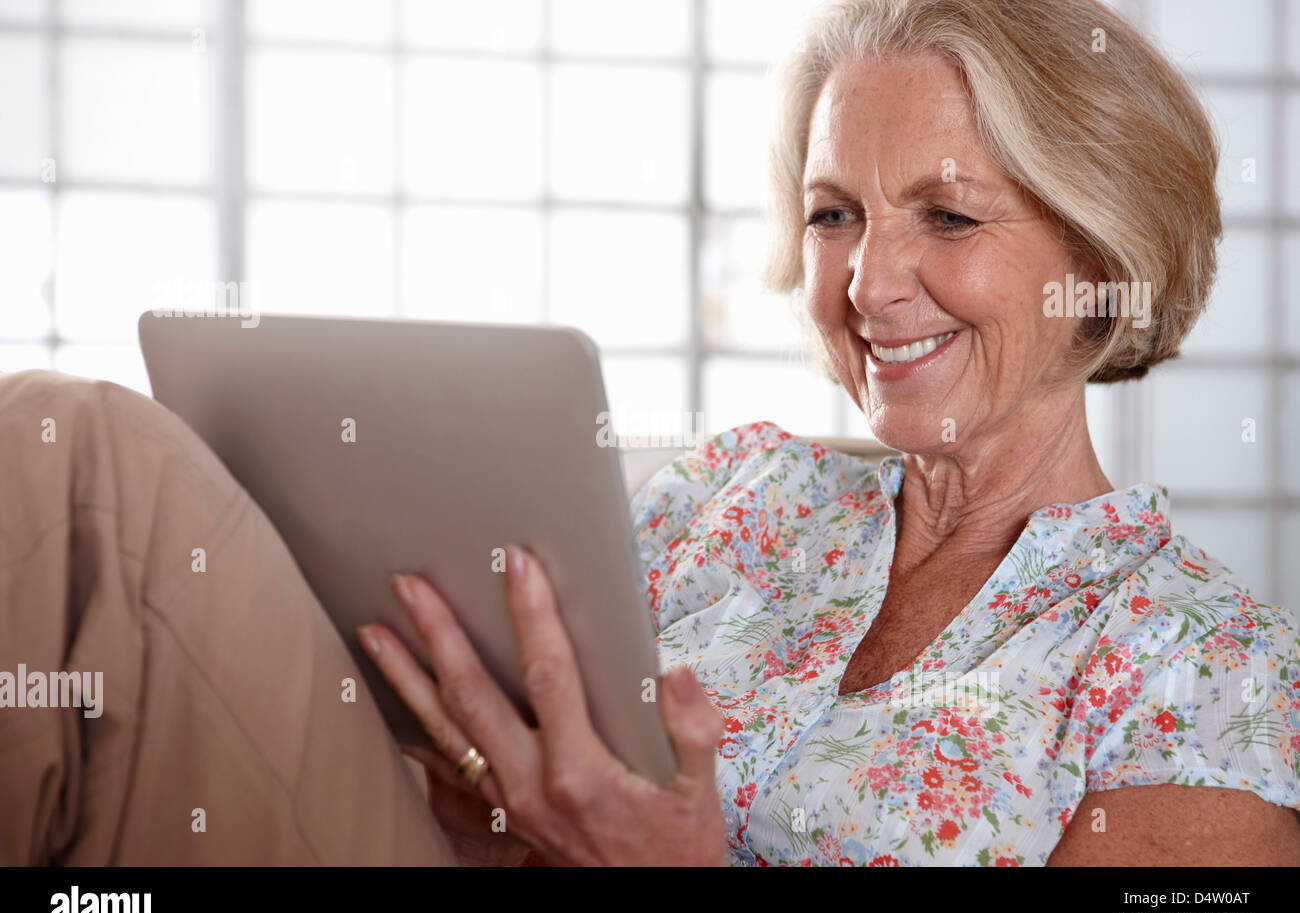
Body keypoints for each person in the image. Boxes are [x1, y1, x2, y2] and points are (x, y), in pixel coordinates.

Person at [4, 0, 1298, 866]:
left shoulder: (1210, 677)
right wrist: (477, 773)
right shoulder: (734, 493)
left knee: (89, 485)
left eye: (948, 221)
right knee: (56, 453)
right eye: (835, 214)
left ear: (1101, 254)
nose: (866, 282)